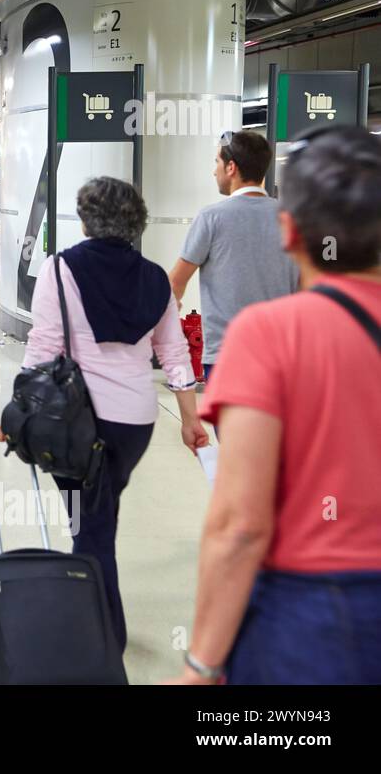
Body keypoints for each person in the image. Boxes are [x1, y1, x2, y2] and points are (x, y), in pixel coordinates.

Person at [168, 126, 381, 685]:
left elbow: (242, 524)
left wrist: (202, 664)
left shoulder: (267, 336)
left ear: (291, 231)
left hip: (314, 609)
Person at [17, 176, 208, 652]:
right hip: (136, 424)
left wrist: (19, 412)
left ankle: (102, 636)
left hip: (77, 424)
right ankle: (92, 622)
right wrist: (190, 418)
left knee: (92, 527)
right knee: (98, 516)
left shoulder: (60, 270)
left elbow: (44, 347)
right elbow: (175, 353)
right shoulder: (156, 279)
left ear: (85, 219)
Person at [168, 130, 299, 383]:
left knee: (231, 425)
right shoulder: (292, 219)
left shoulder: (211, 218)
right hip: (282, 355)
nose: (213, 171)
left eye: (216, 162)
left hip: (228, 356)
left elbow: (176, 282)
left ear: (231, 167)